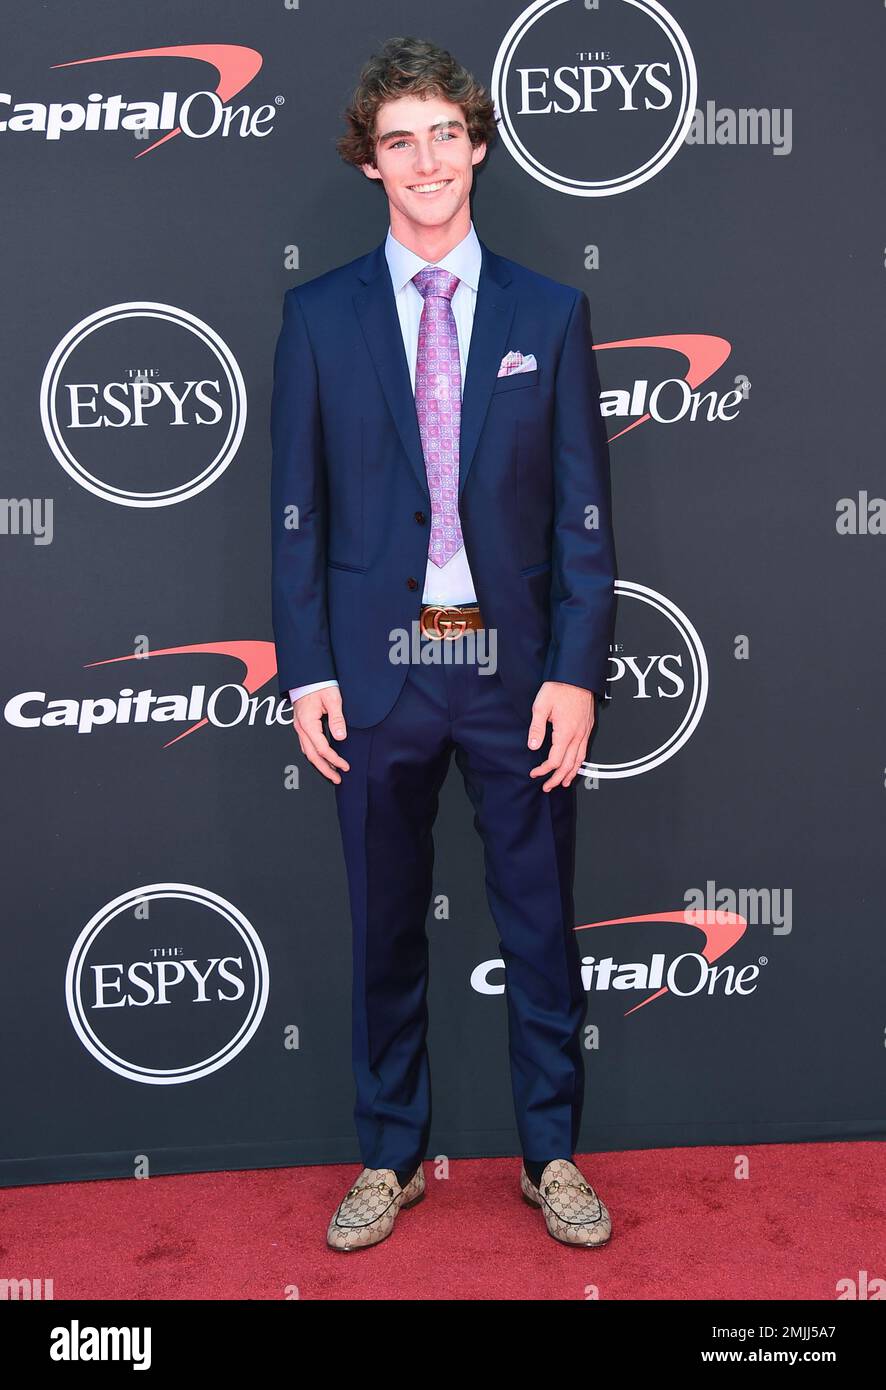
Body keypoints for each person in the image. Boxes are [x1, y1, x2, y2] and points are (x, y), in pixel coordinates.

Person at [270, 35, 617, 1251]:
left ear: (476, 145)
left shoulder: (550, 312)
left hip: (512, 675)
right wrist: (308, 670)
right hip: (376, 677)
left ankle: (552, 1153)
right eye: (397, 139)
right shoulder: (315, 318)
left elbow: (584, 517)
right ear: (370, 161)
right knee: (382, 927)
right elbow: (295, 515)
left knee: (536, 918)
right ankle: (387, 1155)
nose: (424, 161)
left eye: (444, 134)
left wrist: (576, 673)